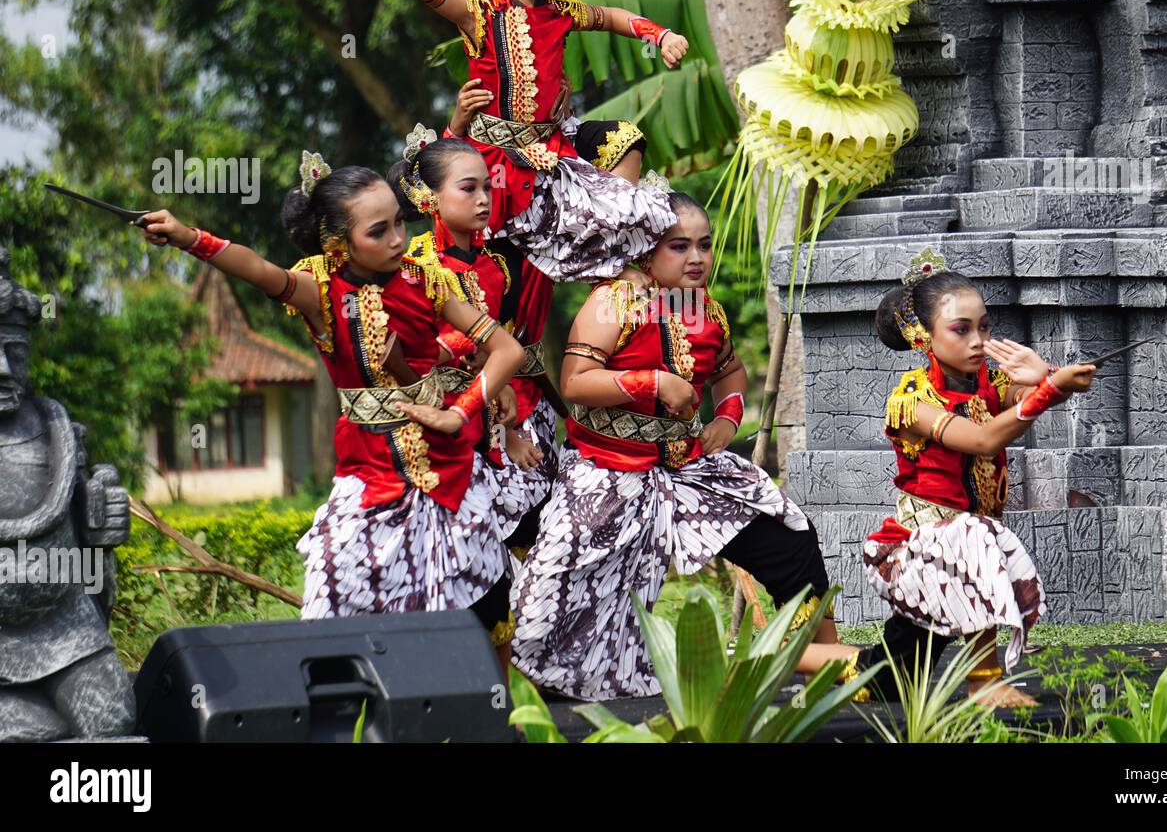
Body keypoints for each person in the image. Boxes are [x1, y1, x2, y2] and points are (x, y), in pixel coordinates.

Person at [138, 152, 524, 670]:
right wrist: (190, 239)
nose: (395, 240)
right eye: (378, 231)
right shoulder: (320, 290)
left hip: (448, 470)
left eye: (399, 225)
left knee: (484, 605)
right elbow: (256, 269)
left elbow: (507, 351)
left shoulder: (426, 280)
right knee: (338, 597)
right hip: (369, 475)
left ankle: (495, 726)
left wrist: (461, 412)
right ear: (339, 242)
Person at [511, 190, 859, 700]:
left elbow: (731, 371)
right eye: (679, 246)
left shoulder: (702, 309)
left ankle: (833, 670)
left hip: (686, 469)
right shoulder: (615, 300)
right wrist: (653, 383)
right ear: (647, 250)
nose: (696, 258)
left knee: (790, 536)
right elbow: (576, 381)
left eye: (704, 245)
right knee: (548, 610)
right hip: (609, 474)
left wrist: (727, 417)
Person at [311, 0, 682, 283]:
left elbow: (610, 16)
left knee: (624, 139)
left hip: (555, 146)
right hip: (495, 158)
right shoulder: (475, 10)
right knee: (502, 273)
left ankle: (605, 247)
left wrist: (658, 35)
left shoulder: (562, 8)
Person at [854, 248, 1097, 707]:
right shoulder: (910, 400)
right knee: (977, 537)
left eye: (984, 327)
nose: (978, 340)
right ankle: (984, 683)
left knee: (885, 678)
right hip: (916, 551)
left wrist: (1045, 375)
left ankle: (800, 659)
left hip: (954, 554)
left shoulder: (987, 383)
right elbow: (984, 440)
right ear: (923, 337)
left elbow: (1027, 399)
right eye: (961, 329)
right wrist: (1048, 389)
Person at [387, 130, 558, 561]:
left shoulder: (495, 267)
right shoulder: (416, 267)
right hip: (431, 419)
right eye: (468, 189)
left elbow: (496, 356)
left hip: (486, 420)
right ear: (430, 199)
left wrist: (511, 431)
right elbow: (420, 350)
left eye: (487, 187)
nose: (484, 199)